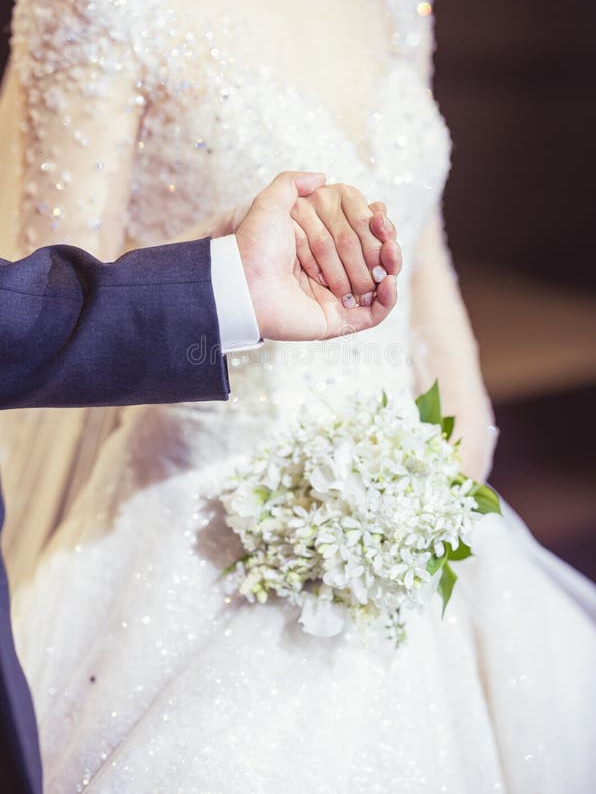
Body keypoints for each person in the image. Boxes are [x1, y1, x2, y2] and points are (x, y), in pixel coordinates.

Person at [3, 0, 596, 791]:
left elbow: (417, 233)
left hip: (405, 493)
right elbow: (57, 305)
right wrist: (225, 263)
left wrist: (460, 433)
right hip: (206, 511)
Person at [0, 169, 401, 793]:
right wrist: (224, 284)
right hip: (184, 481)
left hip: (387, 468)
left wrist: (429, 478)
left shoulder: (407, 62)